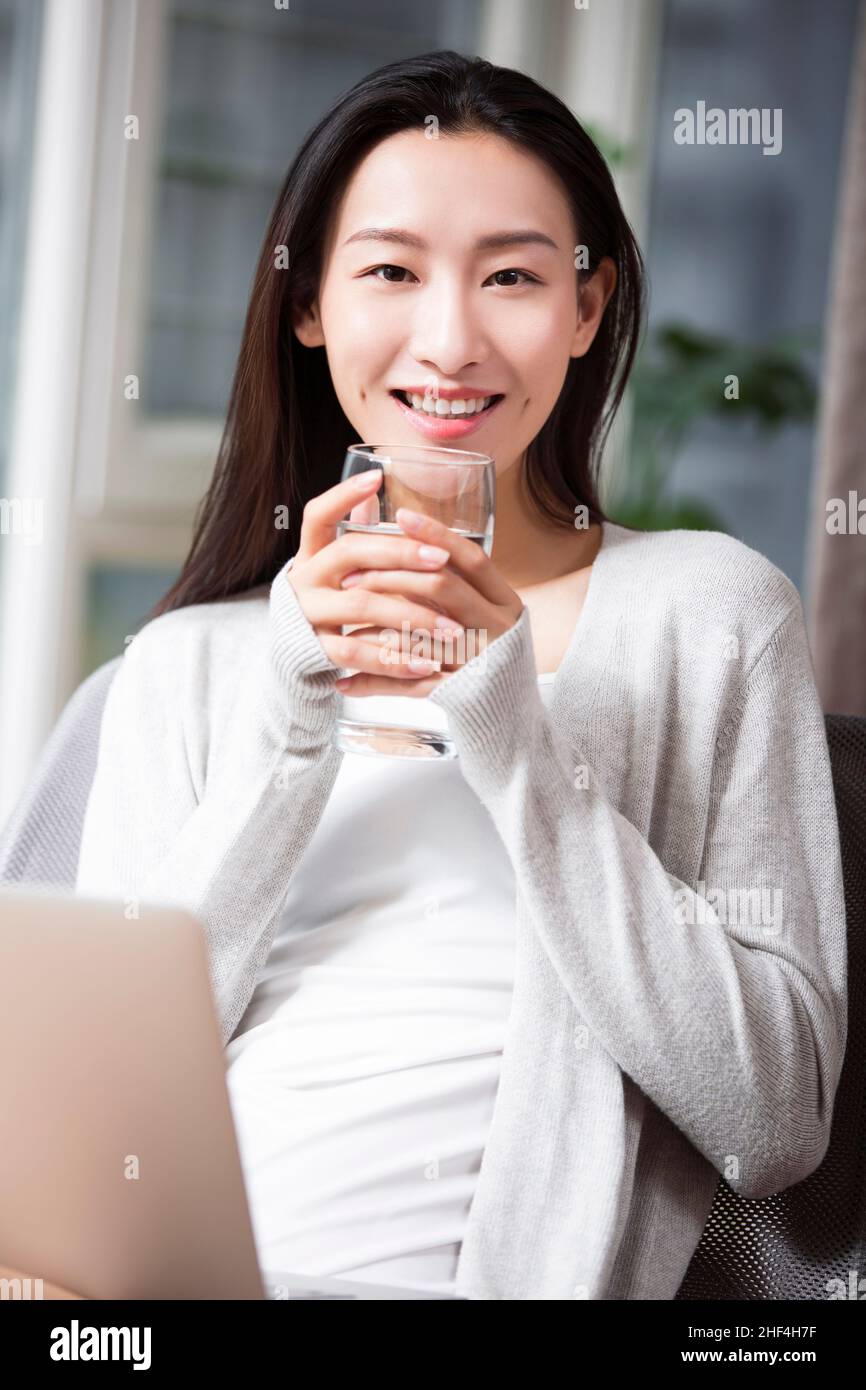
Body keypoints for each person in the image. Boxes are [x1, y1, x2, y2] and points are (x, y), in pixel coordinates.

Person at [67, 51, 845, 1300]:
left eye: (513, 277)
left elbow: (773, 1119)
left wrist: (512, 734)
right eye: (388, 269)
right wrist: (289, 720)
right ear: (307, 301)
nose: (449, 339)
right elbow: (87, 1123)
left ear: (586, 311)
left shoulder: (709, 615)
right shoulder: (187, 667)